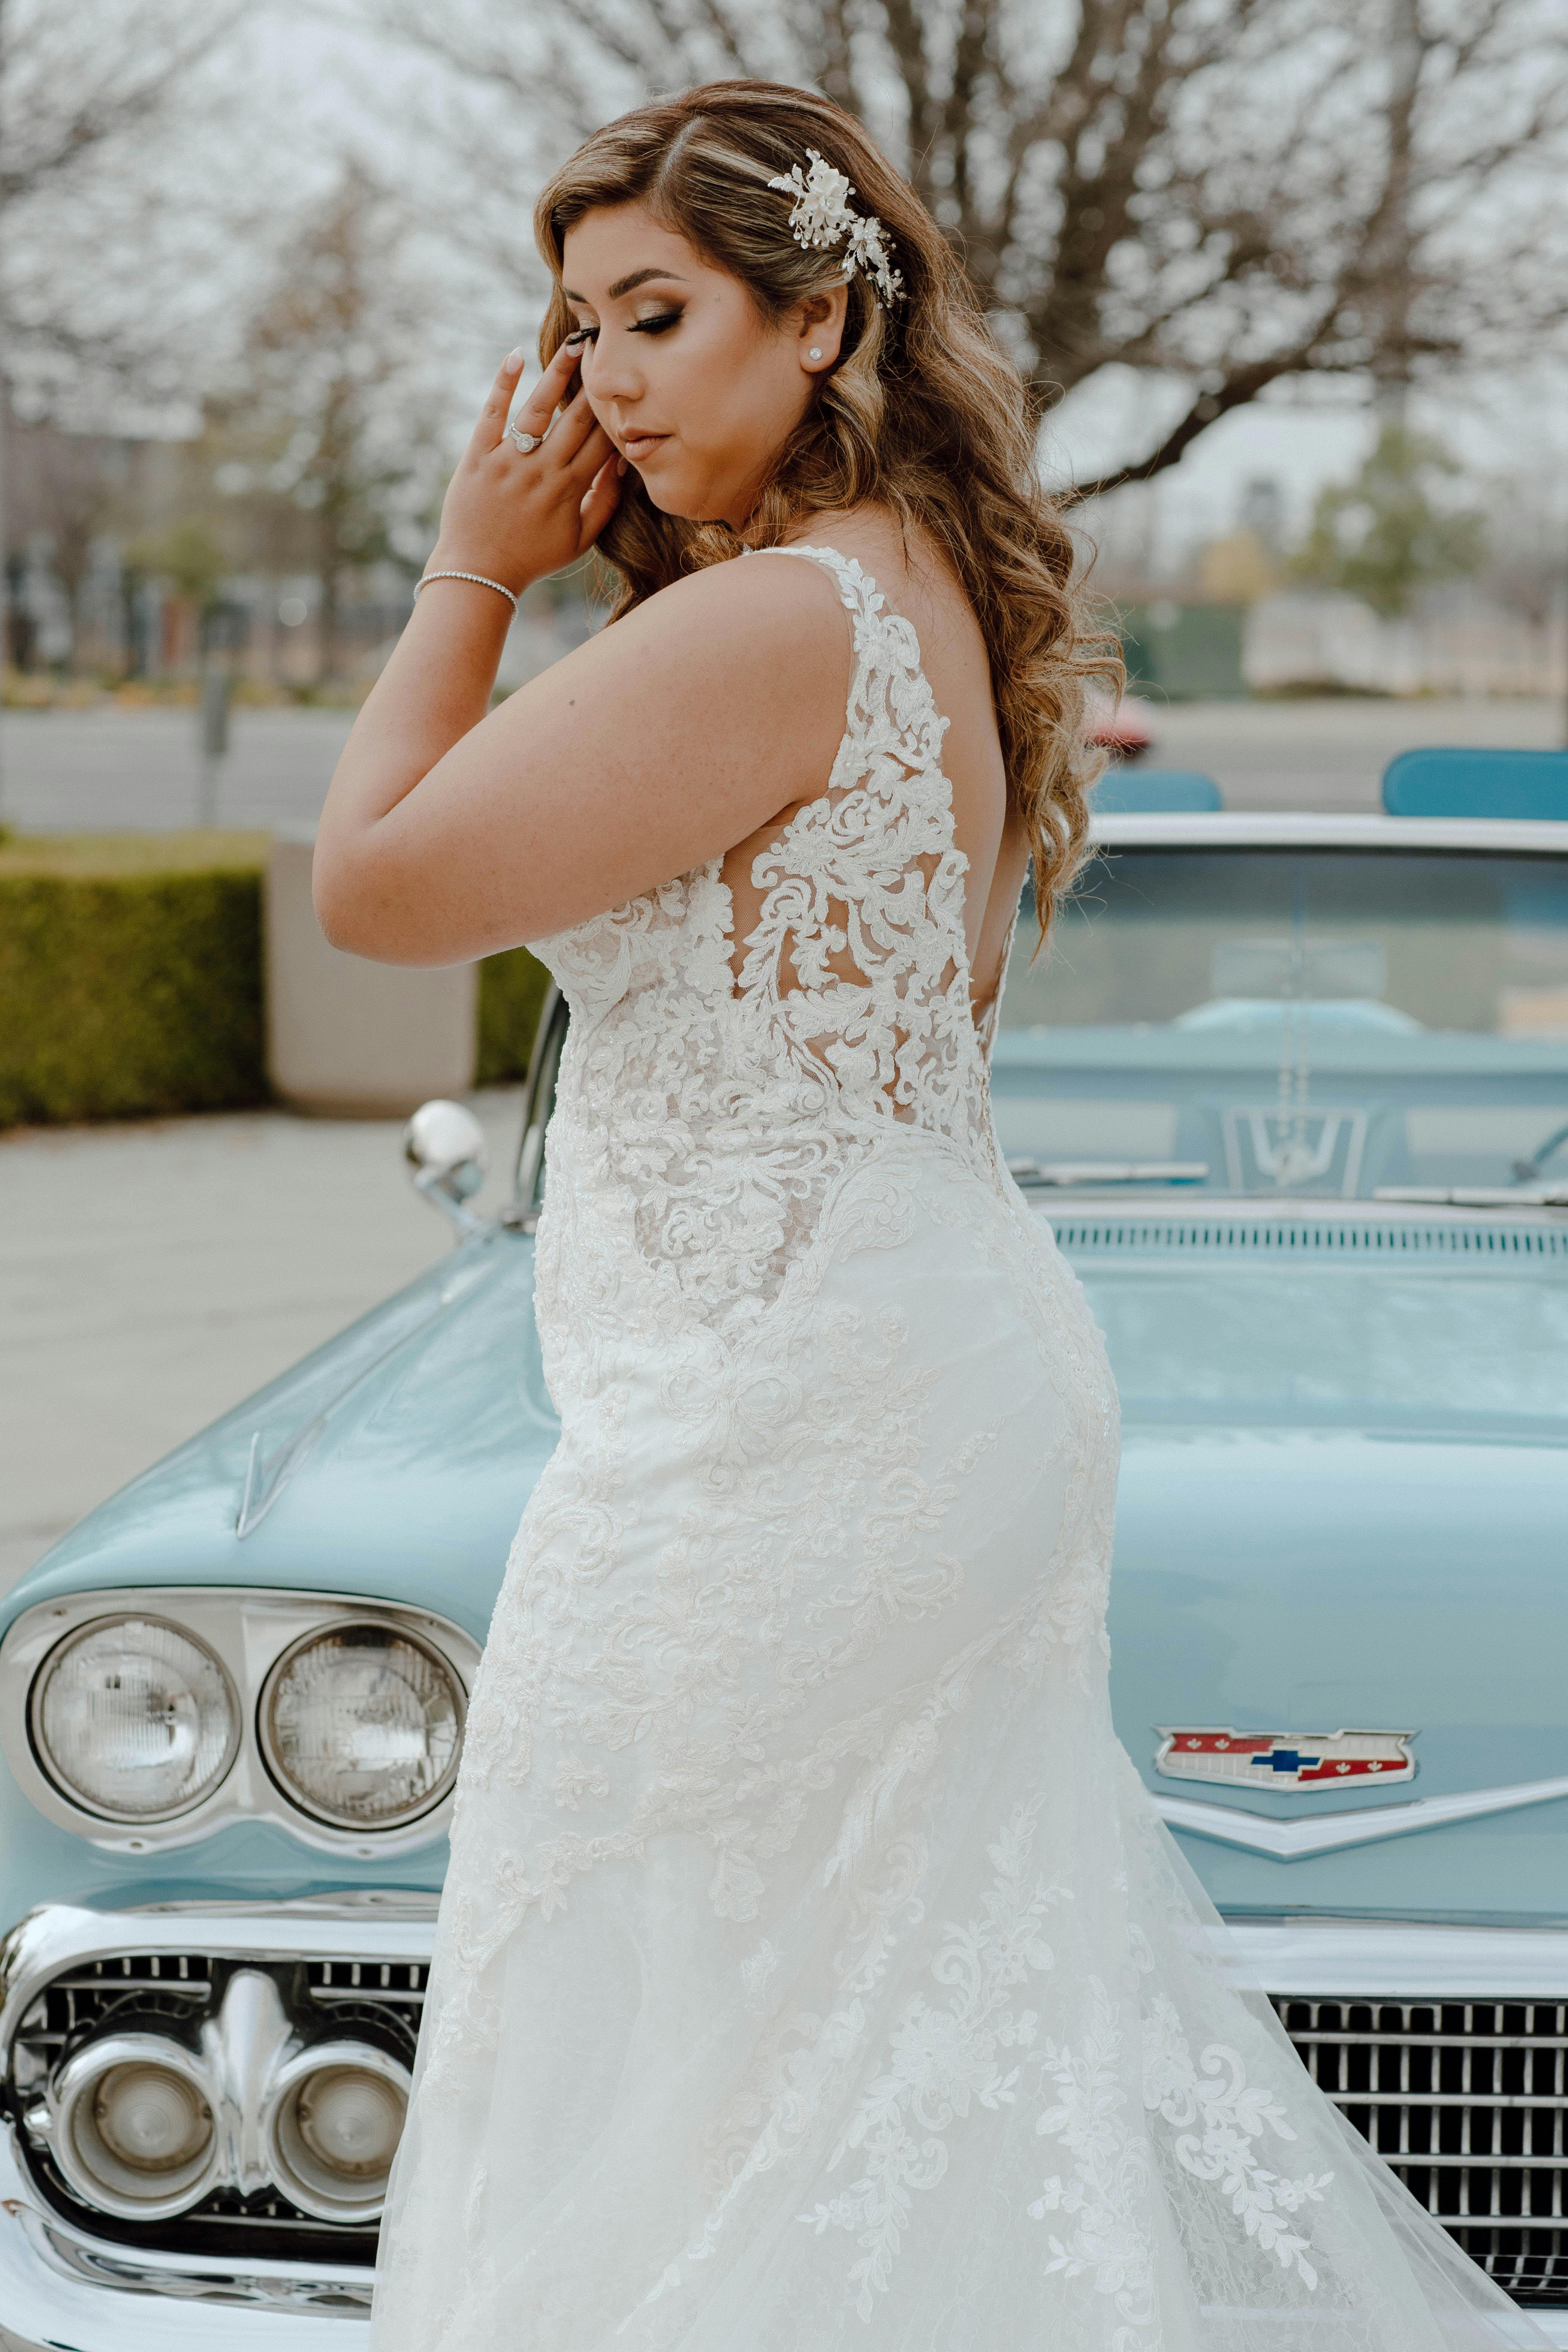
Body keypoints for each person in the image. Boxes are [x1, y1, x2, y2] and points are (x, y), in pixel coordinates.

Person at [315, 78, 1545, 2352]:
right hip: (901, 1369)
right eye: (576, 332)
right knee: (859, 2032)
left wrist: (474, 565)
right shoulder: (918, 606)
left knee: (668, 2047)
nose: (596, 384)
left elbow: (375, 886)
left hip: (783, 1423)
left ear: (819, 317)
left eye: (655, 316)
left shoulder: (779, 620)